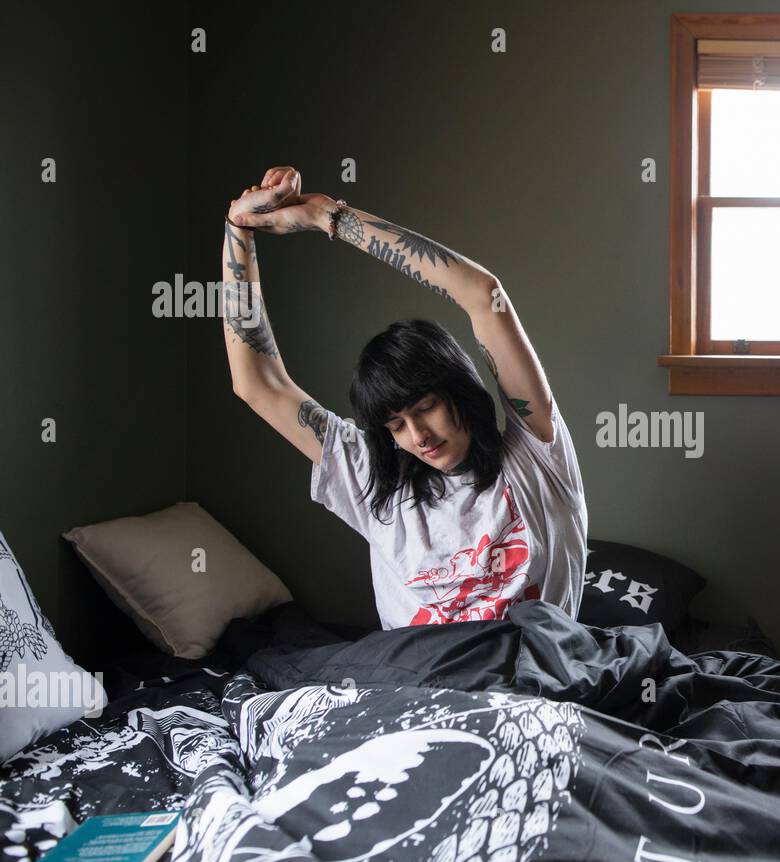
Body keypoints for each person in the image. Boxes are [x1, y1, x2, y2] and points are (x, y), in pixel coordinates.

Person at [221, 165, 586, 629]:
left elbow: (483, 294)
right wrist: (239, 229)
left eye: (425, 408)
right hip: (416, 694)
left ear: (456, 390)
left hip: (528, 686)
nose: (418, 437)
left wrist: (326, 217)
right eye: (395, 425)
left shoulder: (535, 457)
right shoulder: (377, 480)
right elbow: (257, 384)